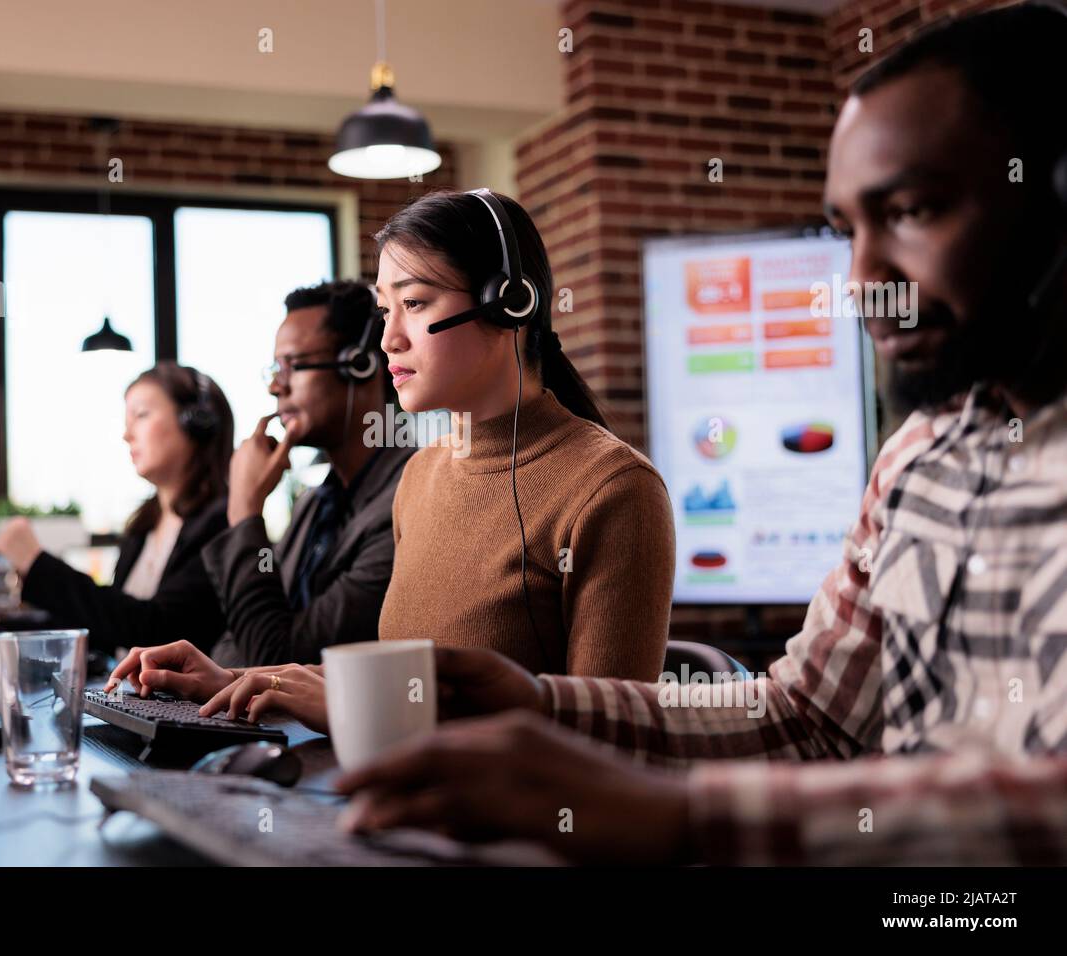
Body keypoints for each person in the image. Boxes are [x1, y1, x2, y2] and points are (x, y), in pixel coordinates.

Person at [326, 5, 1067, 865]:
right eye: (844, 233)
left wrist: (678, 817)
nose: (861, 281)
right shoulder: (920, 461)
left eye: (911, 210)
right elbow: (809, 715)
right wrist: (540, 705)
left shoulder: (608, 485)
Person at [109, 191, 677, 711]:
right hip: (391, 797)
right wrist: (237, 678)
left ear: (509, 304)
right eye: (386, 310)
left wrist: (350, 710)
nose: (388, 339)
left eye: (416, 303)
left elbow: (609, 743)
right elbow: (406, 690)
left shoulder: (614, 489)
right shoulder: (421, 476)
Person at [0, 362, 232, 655]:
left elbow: (156, 628)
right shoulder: (144, 526)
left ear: (197, 421)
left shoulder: (222, 523)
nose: (127, 434)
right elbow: (106, 628)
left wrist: (37, 564)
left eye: (141, 415)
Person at [200, 280, 414, 667]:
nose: (274, 387)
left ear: (359, 364)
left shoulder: (409, 499)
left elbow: (275, 656)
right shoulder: (313, 505)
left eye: (293, 366)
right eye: (275, 369)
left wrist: (245, 511)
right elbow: (237, 642)